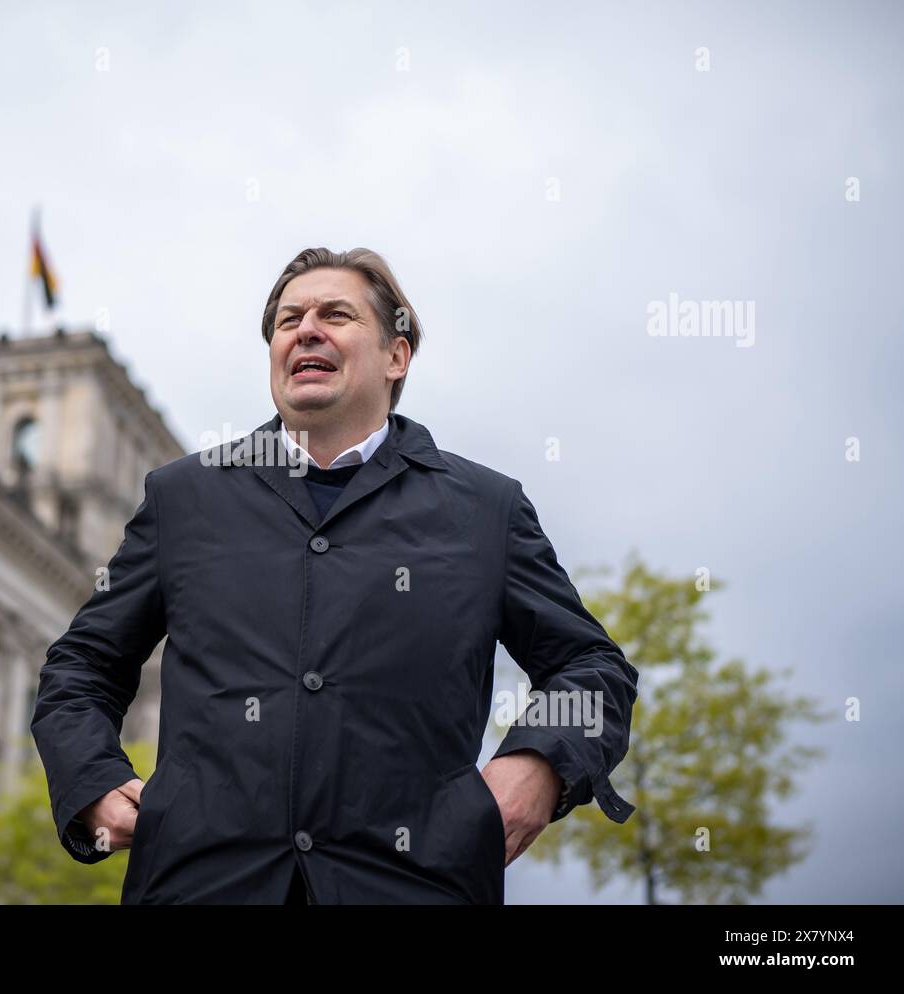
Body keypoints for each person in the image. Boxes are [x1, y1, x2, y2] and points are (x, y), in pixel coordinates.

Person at [32, 247, 638, 905]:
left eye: (335, 314)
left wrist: (538, 766)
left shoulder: (486, 510)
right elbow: (81, 666)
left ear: (395, 356)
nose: (305, 329)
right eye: (288, 320)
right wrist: (90, 779)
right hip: (198, 886)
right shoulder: (184, 498)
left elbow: (592, 667)